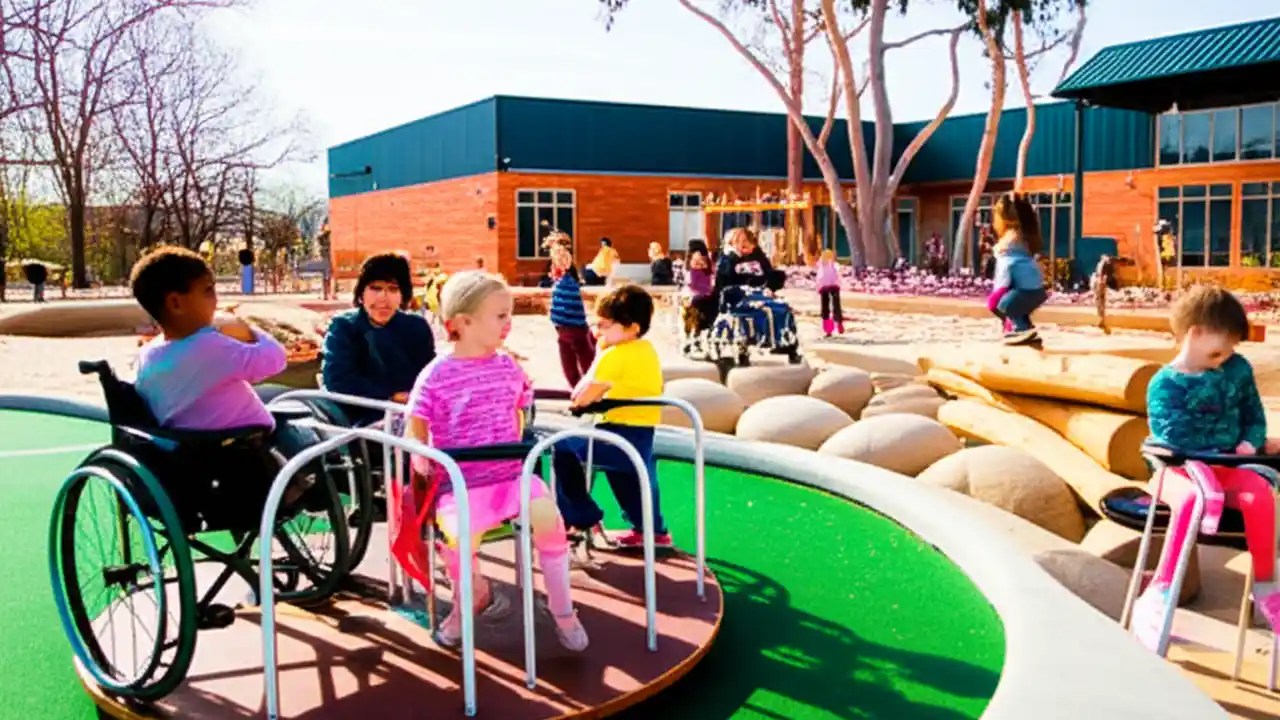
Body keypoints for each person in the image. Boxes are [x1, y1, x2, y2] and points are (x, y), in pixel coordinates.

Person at [401, 270, 589, 651]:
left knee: (549, 519)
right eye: (499, 315)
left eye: (509, 314)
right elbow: (415, 426)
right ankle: (468, 600)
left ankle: (562, 608)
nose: (508, 323)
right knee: (458, 535)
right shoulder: (435, 374)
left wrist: (516, 440)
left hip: (509, 477)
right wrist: (423, 464)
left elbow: (522, 414)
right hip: (462, 483)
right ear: (463, 322)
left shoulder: (508, 367)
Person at [1131, 286, 1280, 650]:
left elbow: (1253, 416)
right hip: (1179, 471)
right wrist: (1218, 450)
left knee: (1259, 493)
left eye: (1230, 351)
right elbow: (1173, 437)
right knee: (1190, 502)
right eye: (1218, 350)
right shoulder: (1164, 385)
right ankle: (1163, 586)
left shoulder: (1236, 370)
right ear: (1194, 334)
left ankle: (1266, 587)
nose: (1223, 358)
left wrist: (1250, 441)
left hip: (1230, 466)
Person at [552, 284, 670, 549]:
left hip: (619, 435)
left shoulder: (615, 355)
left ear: (632, 326)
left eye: (605, 325)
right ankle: (654, 532)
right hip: (641, 436)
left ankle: (580, 517)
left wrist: (599, 354)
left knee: (563, 446)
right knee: (627, 478)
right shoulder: (647, 350)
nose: (597, 331)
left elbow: (581, 396)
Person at [322, 252, 435, 425]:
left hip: (414, 417)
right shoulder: (344, 327)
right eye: (375, 288)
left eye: (393, 289)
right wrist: (391, 396)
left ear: (403, 295)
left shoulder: (416, 328)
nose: (383, 297)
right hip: (359, 423)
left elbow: (430, 376)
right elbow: (338, 381)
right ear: (362, 293)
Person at [989, 192, 1047, 346]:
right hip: (1037, 289)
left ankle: (1021, 328)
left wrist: (999, 290)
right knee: (1017, 308)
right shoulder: (1024, 240)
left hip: (1027, 290)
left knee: (1004, 304)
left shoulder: (1007, 246)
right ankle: (1026, 329)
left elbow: (1006, 269)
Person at [547, 234, 595, 388]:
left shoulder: (566, 282)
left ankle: (582, 390)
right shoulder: (568, 281)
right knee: (584, 360)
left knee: (575, 365)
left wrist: (558, 251)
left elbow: (563, 259)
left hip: (570, 328)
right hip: (573, 328)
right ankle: (583, 389)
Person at [683, 245, 715, 336]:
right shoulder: (690, 273)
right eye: (694, 260)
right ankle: (695, 329)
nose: (697, 263)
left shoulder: (709, 274)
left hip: (707, 296)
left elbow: (712, 284)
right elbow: (690, 286)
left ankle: (709, 325)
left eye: (700, 260)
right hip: (695, 296)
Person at [815, 249, 844, 336]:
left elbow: (819, 278)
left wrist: (818, 288)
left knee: (826, 308)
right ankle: (837, 324)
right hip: (832, 287)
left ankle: (830, 328)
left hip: (827, 287)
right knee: (835, 306)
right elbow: (838, 276)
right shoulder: (834, 266)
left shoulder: (824, 266)